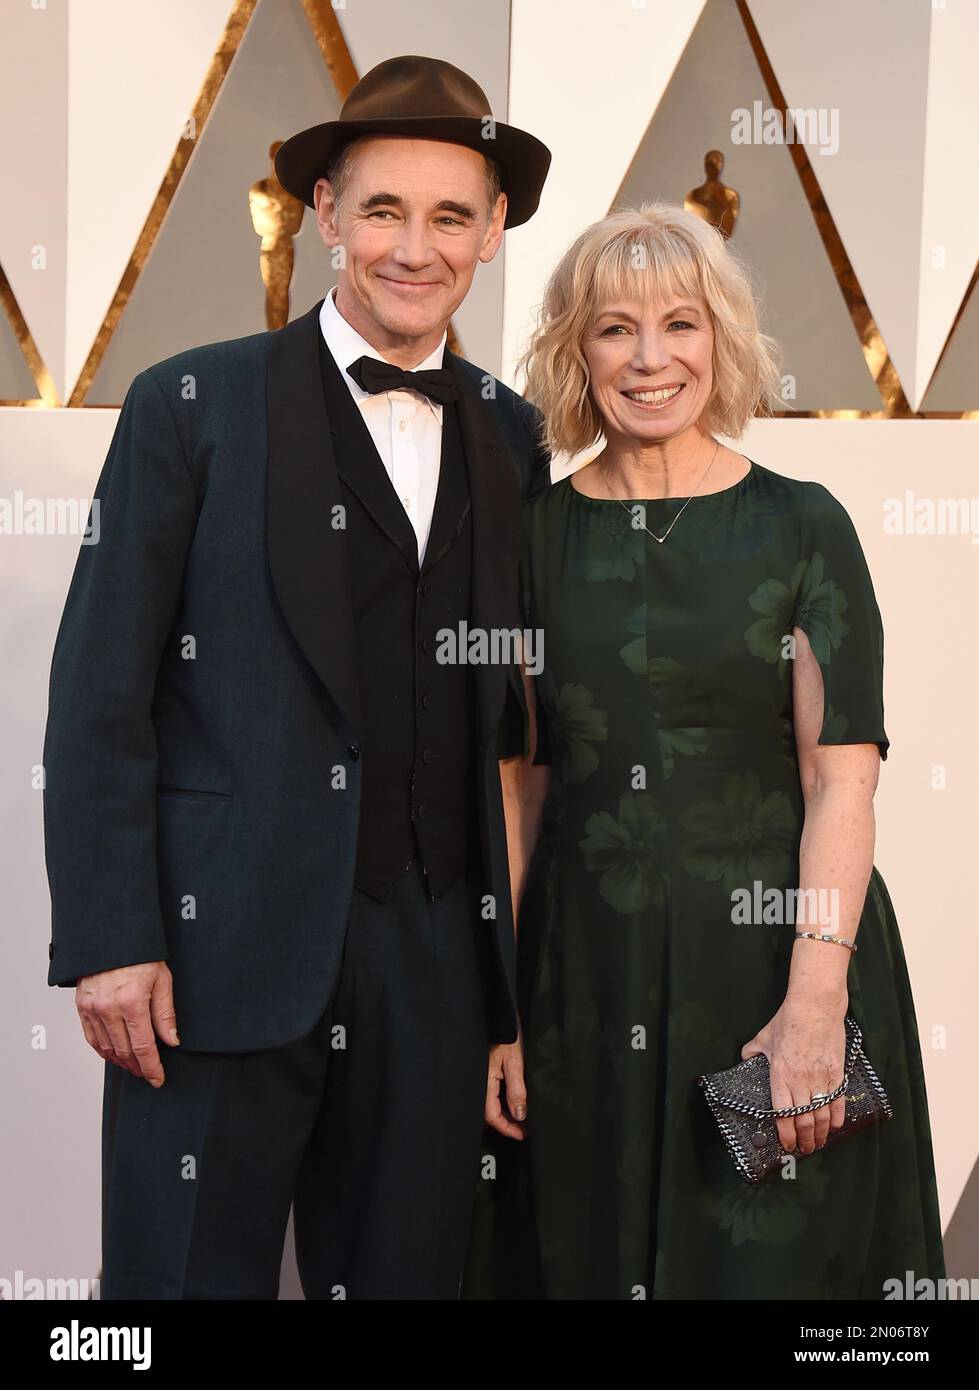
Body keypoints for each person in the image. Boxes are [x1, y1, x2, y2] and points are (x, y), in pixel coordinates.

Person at [41, 54, 551, 1300]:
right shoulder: (190, 404)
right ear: (325, 214)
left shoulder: (511, 429)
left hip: (434, 959)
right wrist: (113, 937)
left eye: (448, 216)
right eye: (382, 209)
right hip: (215, 952)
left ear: (491, 232)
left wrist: (506, 991)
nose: (413, 247)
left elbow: (515, 728)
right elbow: (100, 689)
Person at [463, 202, 946, 1300]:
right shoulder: (529, 538)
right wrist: (501, 1010)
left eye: (679, 324)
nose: (648, 358)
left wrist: (816, 1002)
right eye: (612, 327)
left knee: (772, 1272)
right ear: (572, 350)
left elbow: (842, 777)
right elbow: (518, 791)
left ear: (719, 340)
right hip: (584, 972)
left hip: (775, 964)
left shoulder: (801, 524)